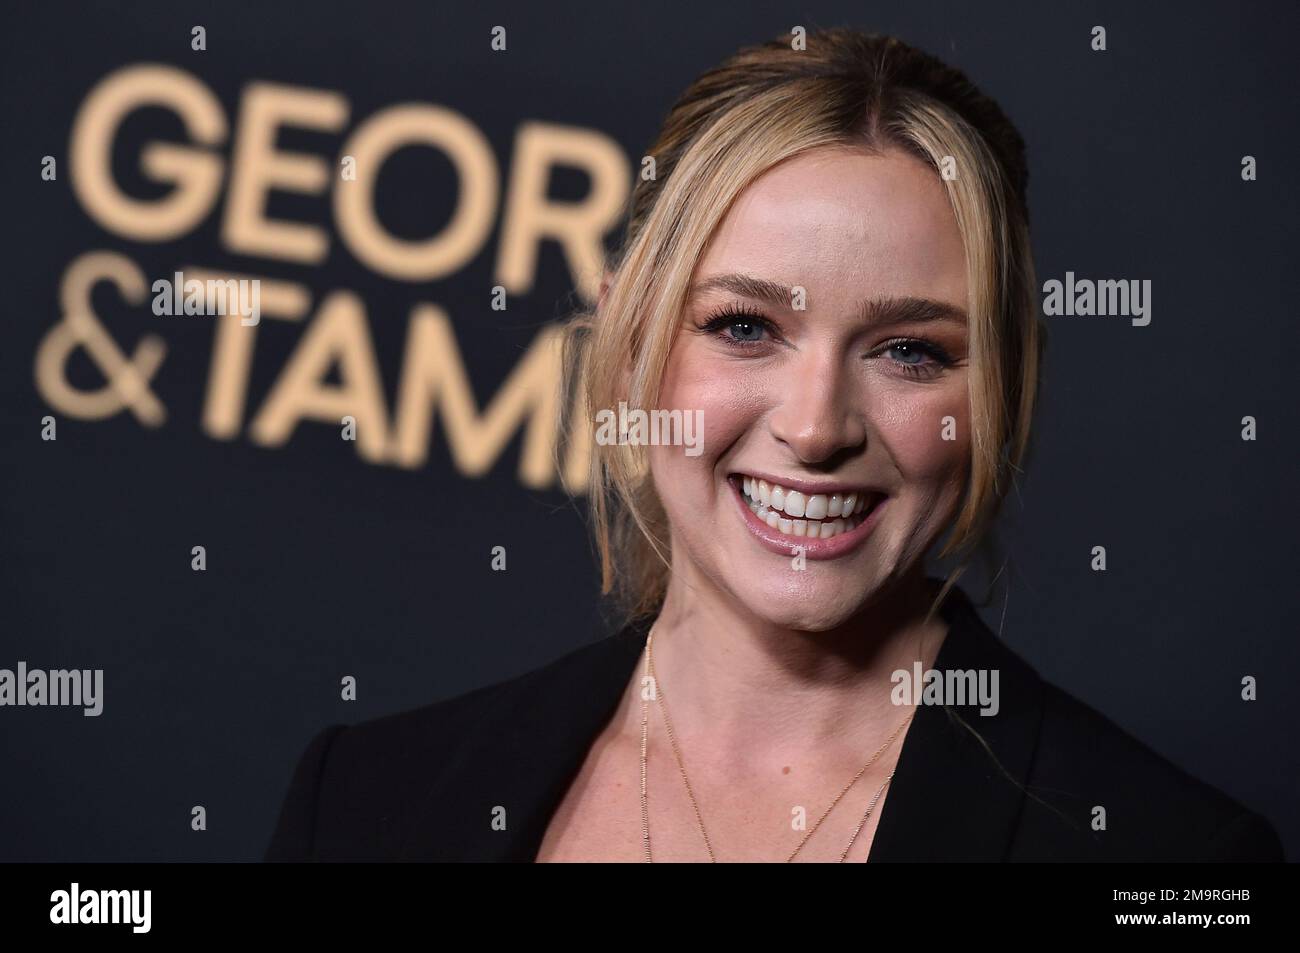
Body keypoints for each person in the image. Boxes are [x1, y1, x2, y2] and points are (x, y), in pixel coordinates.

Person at [265, 27, 1283, 862]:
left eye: (909, 350)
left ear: (1007, 389)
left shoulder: (1176, 858)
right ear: (628, 348)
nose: (815, 425)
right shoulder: (363, 803)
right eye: (743, 327)